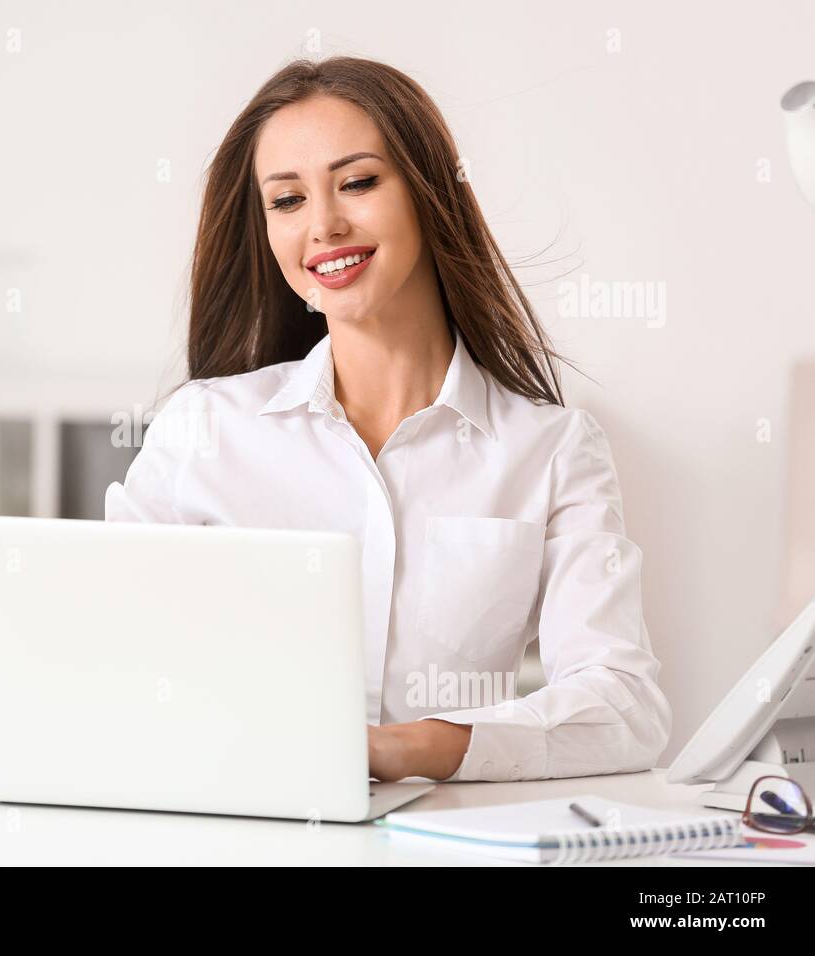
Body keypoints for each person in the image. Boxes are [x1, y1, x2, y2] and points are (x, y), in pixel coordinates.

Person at [105, 56, 671, 783]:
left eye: (359, 182)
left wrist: (406, 749)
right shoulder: (203, 432)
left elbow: (623, 709)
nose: (324, 225)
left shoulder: (553, 449)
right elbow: (109, 654)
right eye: (286, 201)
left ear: (432, 193)